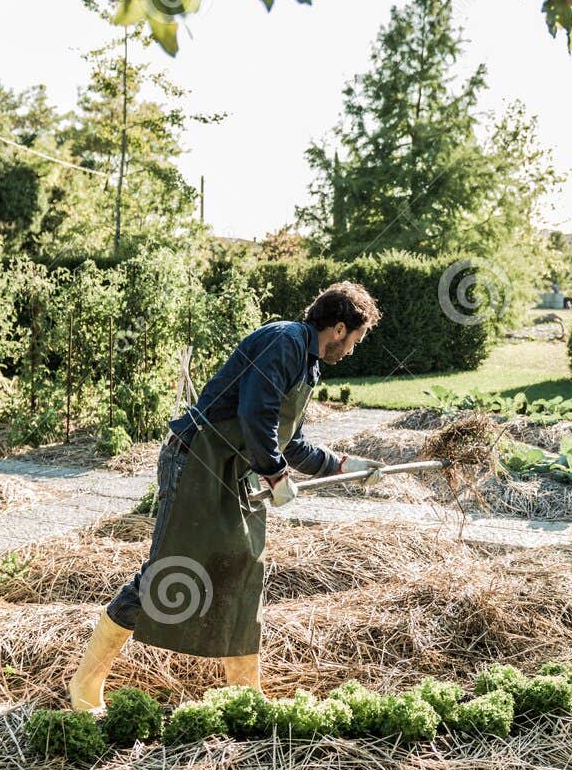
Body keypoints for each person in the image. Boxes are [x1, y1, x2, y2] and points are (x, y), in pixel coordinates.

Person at [69, 281, 386, 710]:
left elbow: (291, 443)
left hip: (230, 473)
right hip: (194, 461)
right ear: (340, 328)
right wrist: (275, 475)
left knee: (243, 573)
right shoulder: (285, 343)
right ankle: (85, 683)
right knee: (167, 572)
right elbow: (255, 415)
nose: (351, 351)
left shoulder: (308, 364)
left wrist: (346, 465)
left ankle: (244, 694)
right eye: (355, 341)